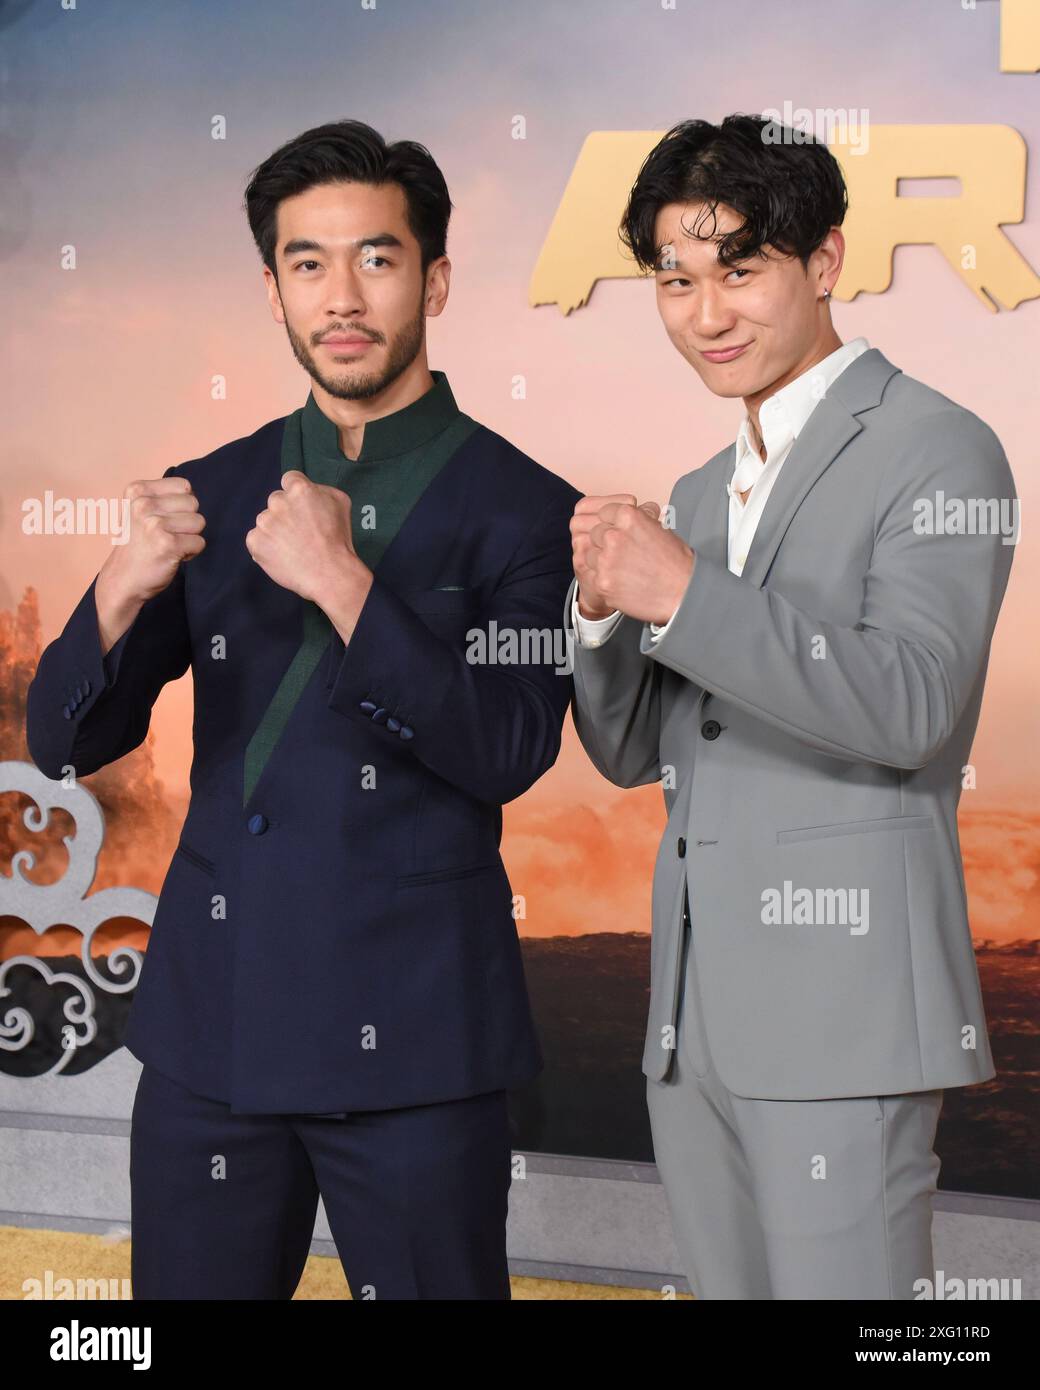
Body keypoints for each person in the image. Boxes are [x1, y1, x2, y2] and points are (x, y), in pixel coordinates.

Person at [26, 119, 580, 1300]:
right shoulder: (213, 487)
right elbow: (66, 741)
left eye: (376, 259)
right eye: (307, 263)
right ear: (272, 288)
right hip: (213, 1031)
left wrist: (343, 582)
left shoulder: (527, 508)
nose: (342, 295)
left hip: (418, 1040)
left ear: (432, 277)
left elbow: (511, 746)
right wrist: (117, 589)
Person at [566, 113, 1017, 1299]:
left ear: (823, 262)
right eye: (674, 279)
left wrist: (681, 591)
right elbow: (625, 752)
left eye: (739, 270)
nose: (704, 313)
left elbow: (914, 704)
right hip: (692, 1017)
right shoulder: (696, 491)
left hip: (842, 1013)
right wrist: (606, 609)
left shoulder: (941, 449)